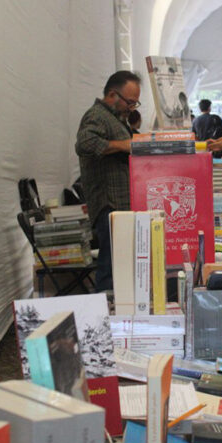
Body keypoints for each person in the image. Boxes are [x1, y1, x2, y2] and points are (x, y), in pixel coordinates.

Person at [76, 71, 140, 292]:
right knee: (111, 271)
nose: (132, 108)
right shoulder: (97, 115)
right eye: (130, 102)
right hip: (109, 205)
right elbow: (85, 143)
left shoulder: (115, 119)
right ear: (113, 94)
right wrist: (124, 146)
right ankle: (105, 318)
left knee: (119, 268)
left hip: (119, 205)